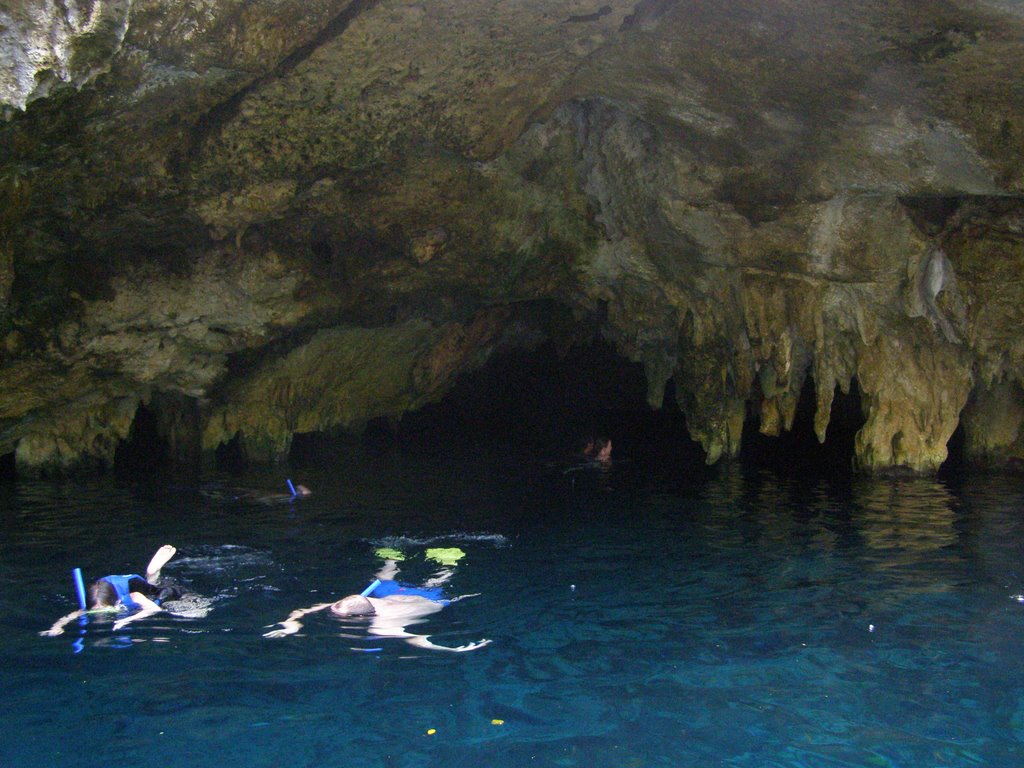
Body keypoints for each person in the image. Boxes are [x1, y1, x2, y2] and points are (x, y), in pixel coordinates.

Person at [263, 547, 491, 652]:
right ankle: (392, 557)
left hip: (425, 600)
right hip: (393, 596)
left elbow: (415, 639)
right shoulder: (354, 602)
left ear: (362, 615)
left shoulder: (383, 624)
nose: (332, 612)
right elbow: (303, 610)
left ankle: (448, 562)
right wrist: (290, 625)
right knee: (383, 580)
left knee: (436, 583)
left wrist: (452, 650)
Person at [41, 545, 183, 636]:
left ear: (115, 602)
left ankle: (153, 572)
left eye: (103, 609)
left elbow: (154, 609)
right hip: (109, 588)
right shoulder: (91, 605)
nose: (100, 613)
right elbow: (70, 616)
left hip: (134, 584)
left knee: (153, 589)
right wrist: (56, 627)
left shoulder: (134, 596)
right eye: (96, 610)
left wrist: (128, 619)